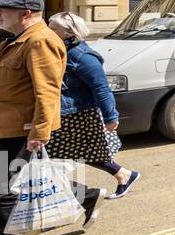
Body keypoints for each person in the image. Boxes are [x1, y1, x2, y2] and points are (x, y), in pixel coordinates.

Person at [0, 0, 102, 235]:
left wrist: (39, 132)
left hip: (23, 130)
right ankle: (88, 196)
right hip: (10, 125)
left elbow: (47, 91)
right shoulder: (15, 42)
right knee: (20, 181)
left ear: (26, 13)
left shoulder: (40, 41)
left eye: (4, 10)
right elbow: (5, 89)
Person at [46, 12, 140, 199]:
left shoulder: (82, 55)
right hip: (64, 113)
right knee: (79, 152)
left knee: (59, 154)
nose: (47, 29)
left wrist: (110, 116)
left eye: (52, 27)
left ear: (68, 32)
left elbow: (101, 87)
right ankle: (124, 175)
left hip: (78, 115)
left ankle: (65, 197)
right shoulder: (58, 50)